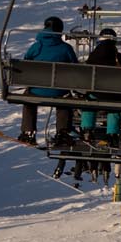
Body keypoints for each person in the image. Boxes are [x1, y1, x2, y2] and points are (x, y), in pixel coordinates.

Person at [19, 16, 79, 145]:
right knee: (65, 100)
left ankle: (28, 131)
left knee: (28, 99)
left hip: (37, 90)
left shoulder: (36, 47)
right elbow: (76, 67)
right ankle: (63, 131)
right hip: (59, 91)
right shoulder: (65, 48)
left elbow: (26, 64)